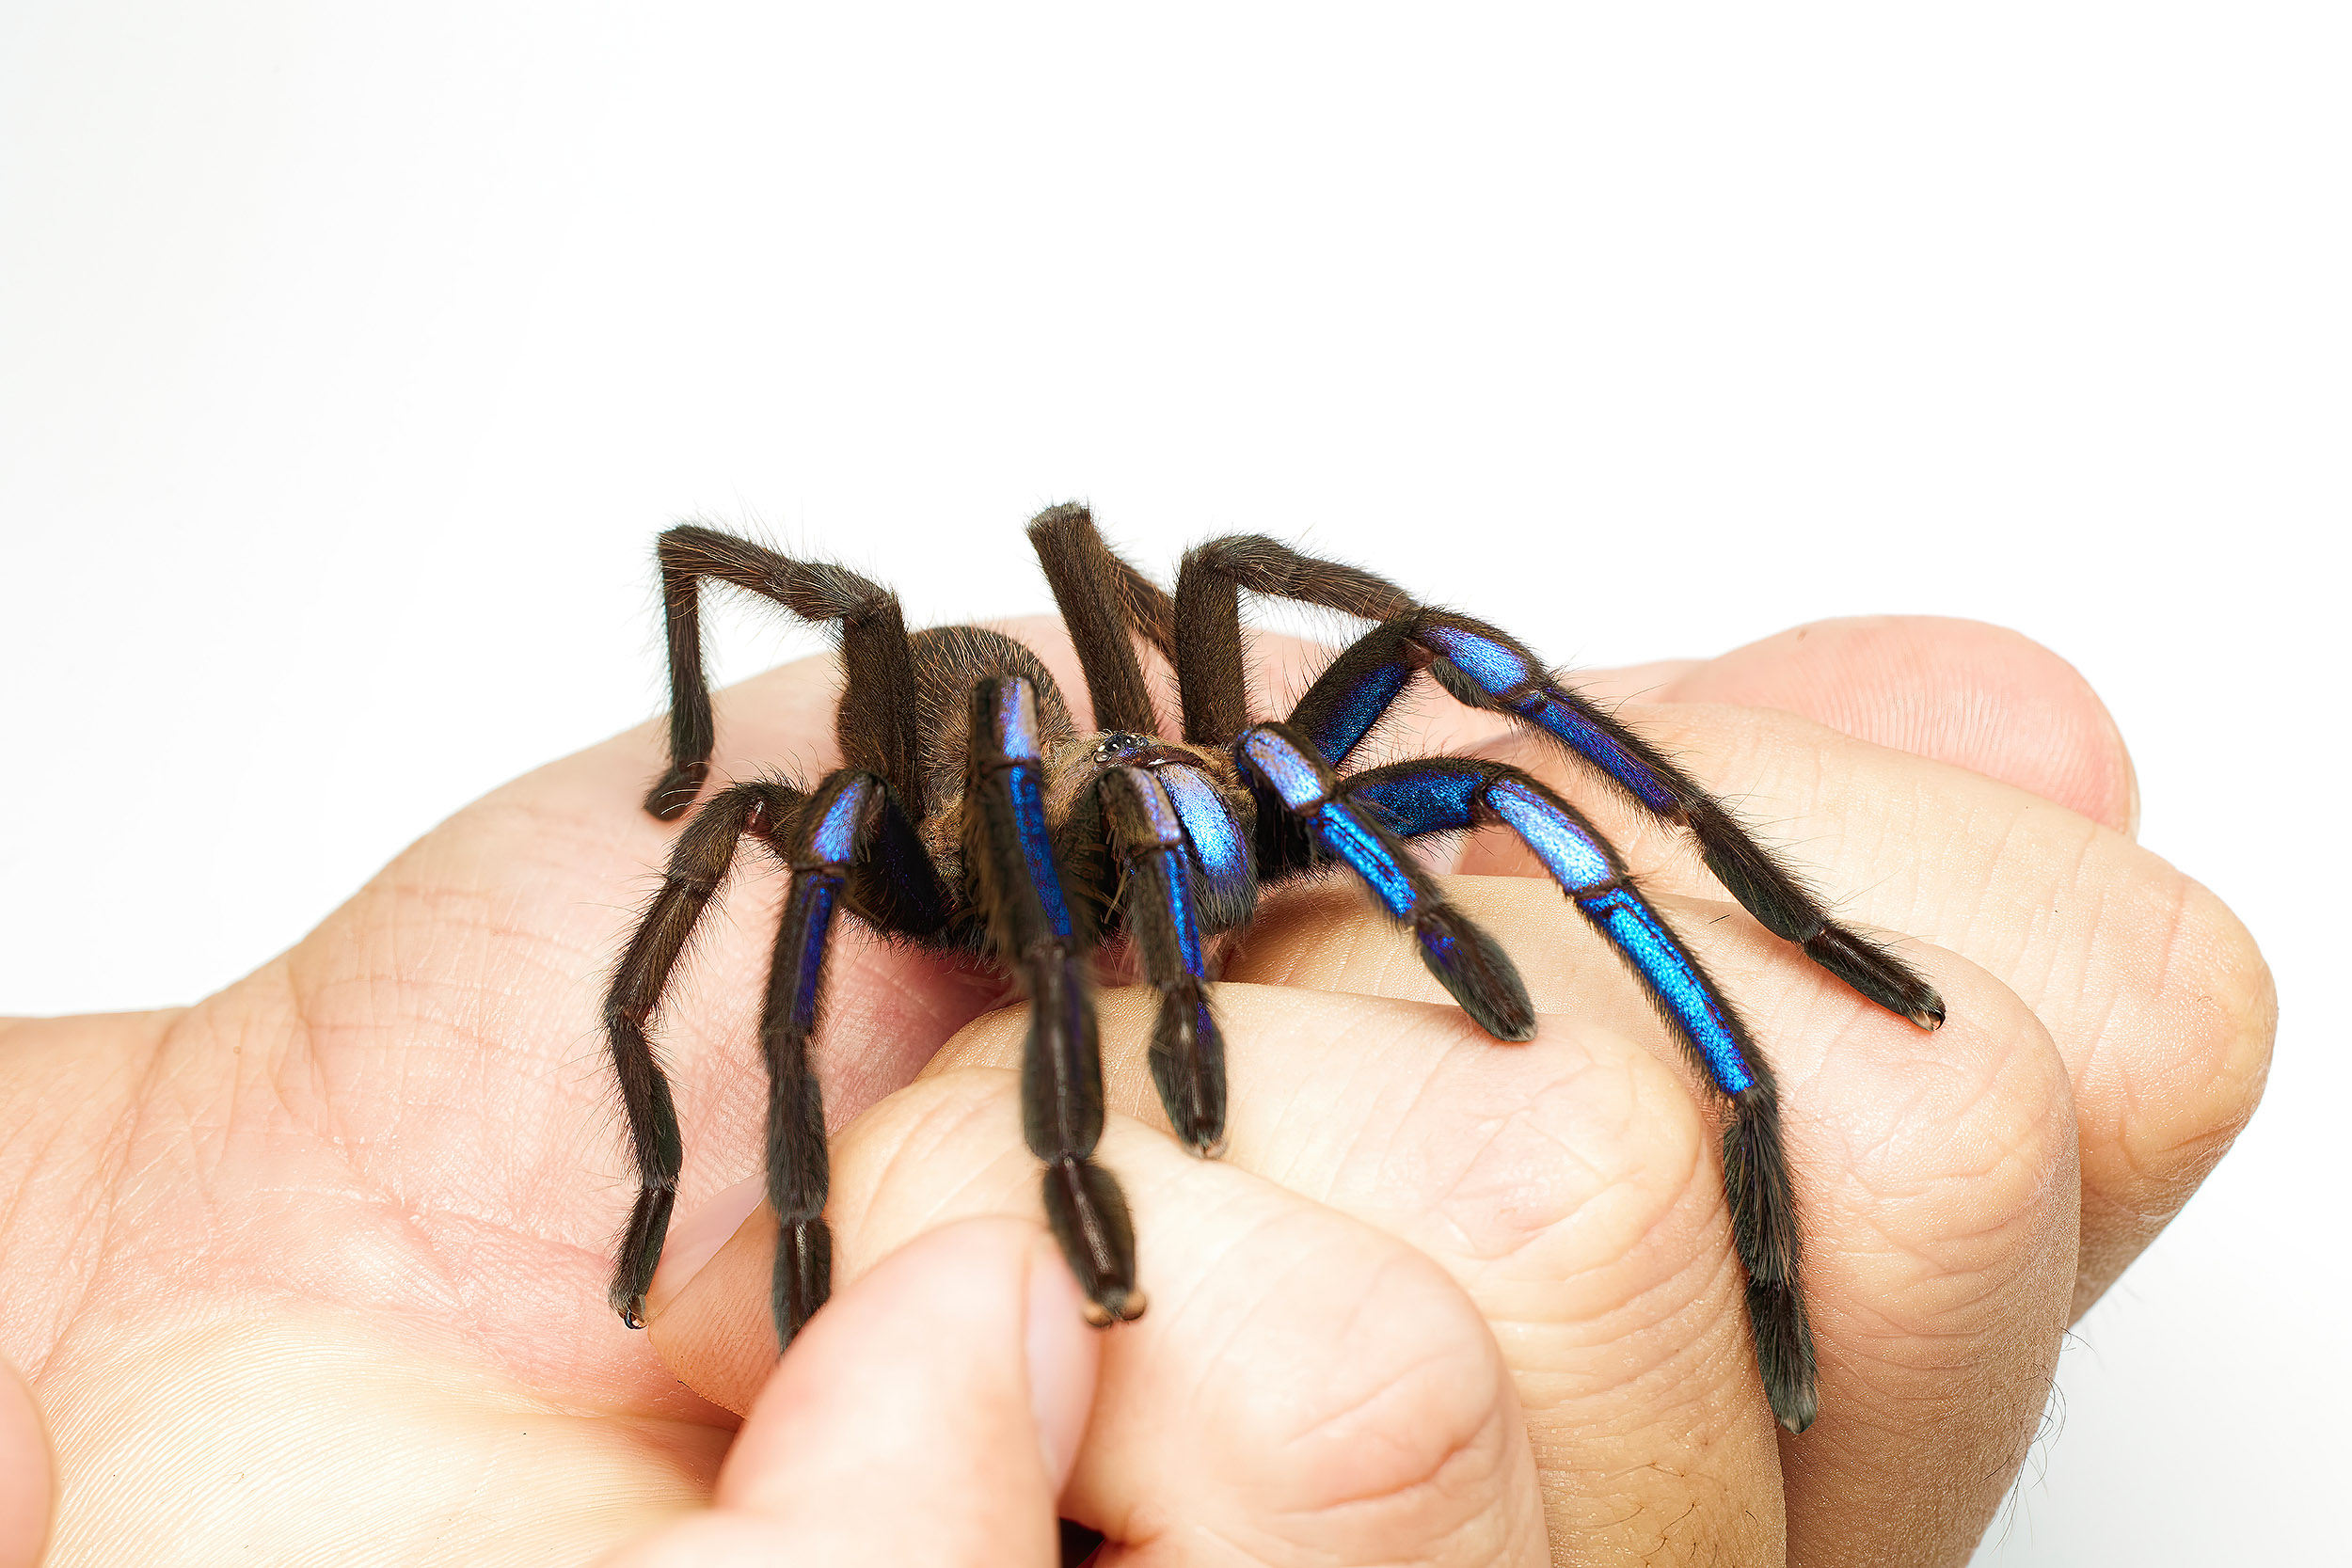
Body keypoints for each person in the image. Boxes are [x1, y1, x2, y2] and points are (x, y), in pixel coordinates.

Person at [0, 614, 2271, 1566]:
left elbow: (1433, 687)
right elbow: (751, 854)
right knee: (820, 823)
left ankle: (1781, 962)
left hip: (1140, 786)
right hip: (960, 820)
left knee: (1468, 746)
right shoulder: (895, 826)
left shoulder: (1234, 761)